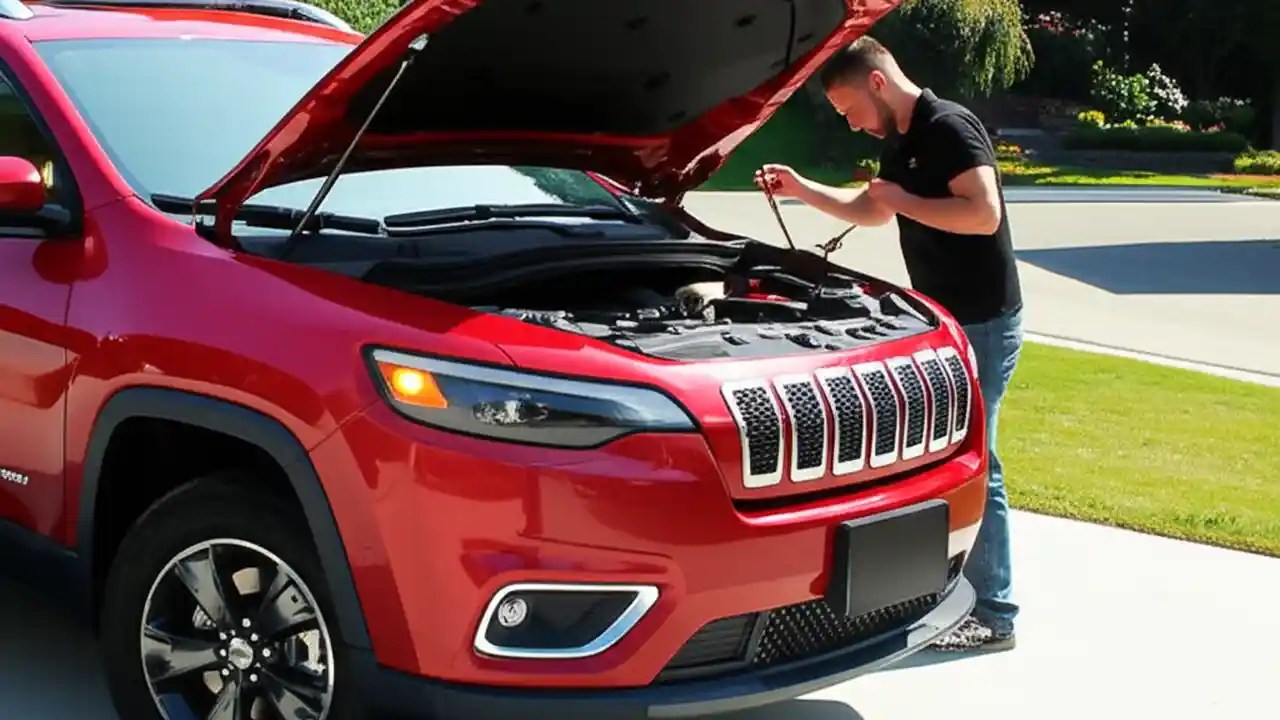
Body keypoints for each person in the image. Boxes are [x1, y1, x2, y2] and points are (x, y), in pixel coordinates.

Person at [755, 36, 1024, 653]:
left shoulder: (949, 126)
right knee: (946, 459)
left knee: (980, 462)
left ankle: (996, 615)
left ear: (877, 83)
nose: (851, 126)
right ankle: (950, 593)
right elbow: (875, 211)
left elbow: (982, 214)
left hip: (984, 320)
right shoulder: (901, 137)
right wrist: (802, 189)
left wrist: (901, 199)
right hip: (946, 320)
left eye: (850, 110)